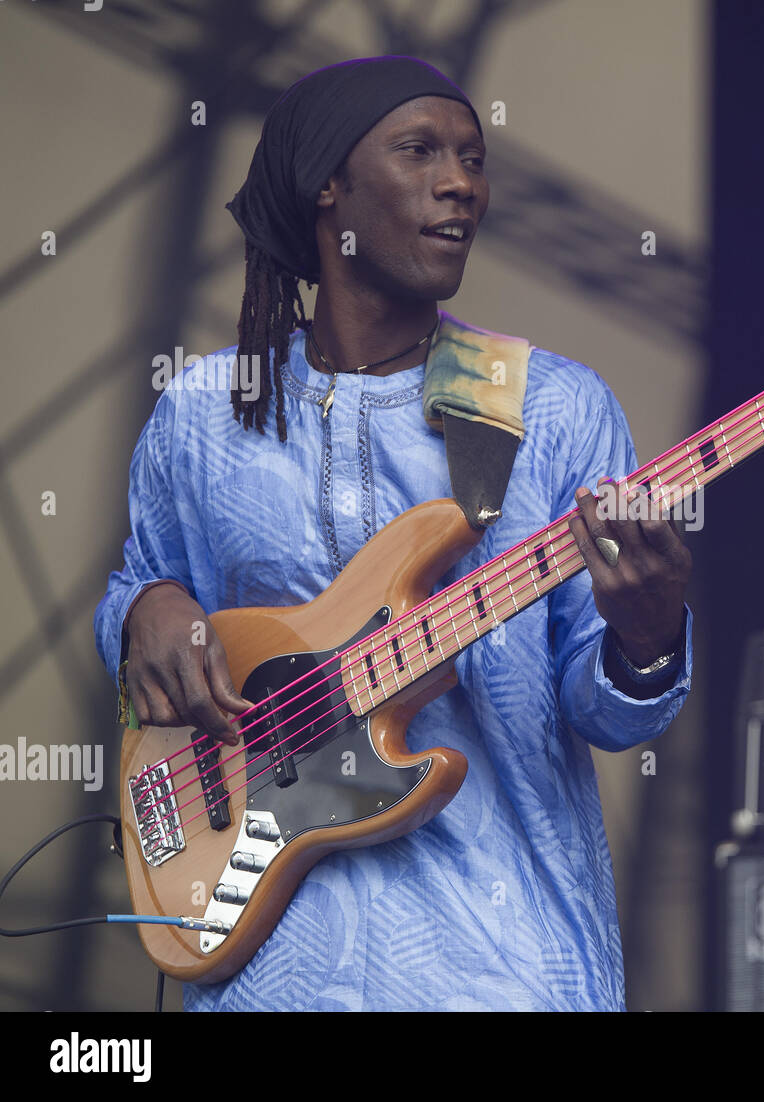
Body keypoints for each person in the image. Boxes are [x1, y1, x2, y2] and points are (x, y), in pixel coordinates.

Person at [93, 55, 693, 1011]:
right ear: (329, 185)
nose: (462, 182)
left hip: (502, 968)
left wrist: (649, 634)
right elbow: (143, 602)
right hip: (270, 973)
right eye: (420, 152)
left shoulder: (551, 407)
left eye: (473, 158)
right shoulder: (203, 412)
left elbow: (608, 712)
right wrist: (145, 612)